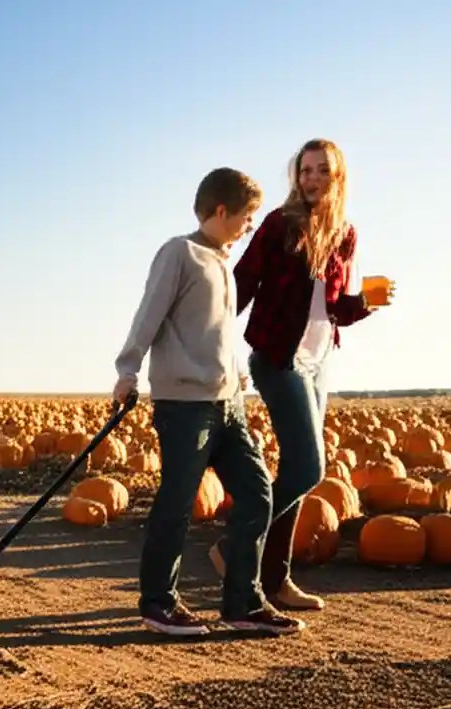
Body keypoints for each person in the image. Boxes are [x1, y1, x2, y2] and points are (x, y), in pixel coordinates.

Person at [113, 167, 305, 637]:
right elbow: (148, 315)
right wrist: (127, 370)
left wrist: (237, 379)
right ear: (222, 211)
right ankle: (158, 603)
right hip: (185, 405)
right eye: (247, 216)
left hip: (228, 405)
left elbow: (216, 333)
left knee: (258, 493)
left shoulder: (223, 263)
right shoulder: (179, 253)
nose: (250, 226)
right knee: (177, 503)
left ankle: (243, 602)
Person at [211, 138, 393, 610]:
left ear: (338, 178)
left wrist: (367, 304)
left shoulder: (346, 233)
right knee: (311, 468)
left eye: (321, 171)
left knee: (297, 470)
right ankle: (234, 549)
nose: (311, 179)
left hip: (318, 360)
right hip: (276, 358)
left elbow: (335, 309)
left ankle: (275, 579)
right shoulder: (278, 224)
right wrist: (207, 333)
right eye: (305, 170)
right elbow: (244, 280)